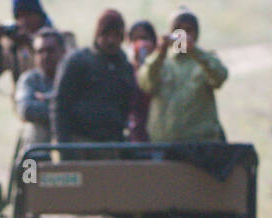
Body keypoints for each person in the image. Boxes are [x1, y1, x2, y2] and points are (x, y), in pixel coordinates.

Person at [137, 8, 228, 142]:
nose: (182, 35)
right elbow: (145, 83)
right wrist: (159, 53)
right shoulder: (162, 63)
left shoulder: (204, 62)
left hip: (200, 144)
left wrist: (194, 50)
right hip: (163, 143)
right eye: (178, 30)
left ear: (196, 33)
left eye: (188, 30)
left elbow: (219, 77)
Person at [50, 9, 136, 144]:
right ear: (97, 34)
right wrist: (63, 145)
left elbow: (126, 105)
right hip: (79, 141)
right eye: (106, 34)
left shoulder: (125, 67)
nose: (111, 41)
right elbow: (60, 104)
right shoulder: (77, 61)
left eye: (116, 35)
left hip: (111, 142)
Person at [15, 28, 66, 146]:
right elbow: (26, 109)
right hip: (37, 148)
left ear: (63, 52)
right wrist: (62, 109)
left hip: (69, 147)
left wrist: (47, 100)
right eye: (40, 51)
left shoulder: (73, 77)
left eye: (50, 51)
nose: (45, 56)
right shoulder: (29, 79)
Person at [0, 0, 52, 83]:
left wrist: (30, 43)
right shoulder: (15, 45)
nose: (24, 20)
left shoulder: (58, 39)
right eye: (19, 16)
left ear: (39, 16)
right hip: (22, 95)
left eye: (28, 14)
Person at [126, 19, 158, 142]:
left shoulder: (164, 69)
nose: (140, 44)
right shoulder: (126, 70)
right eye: (134, 40)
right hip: (136, 136)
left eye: (144, 38)